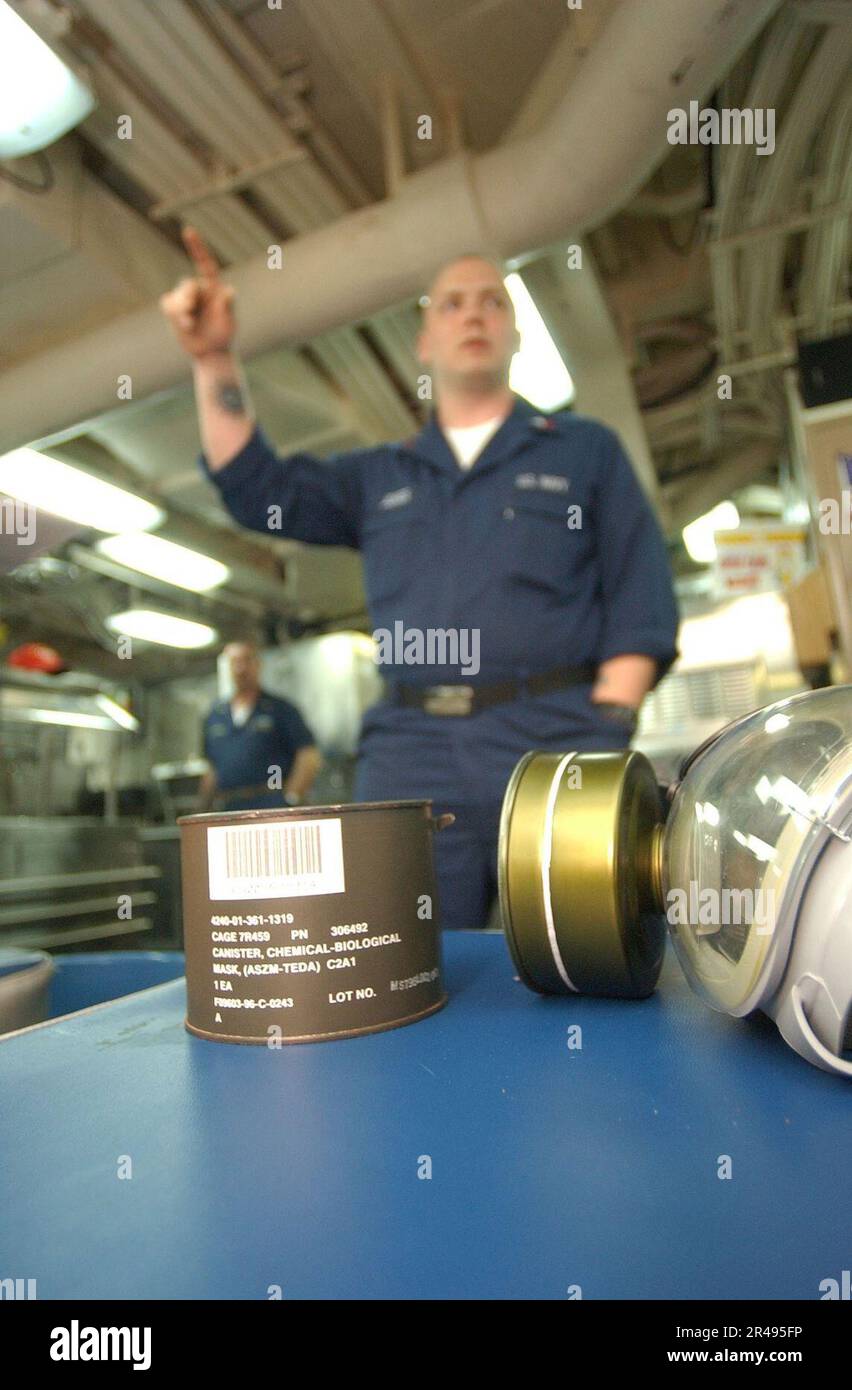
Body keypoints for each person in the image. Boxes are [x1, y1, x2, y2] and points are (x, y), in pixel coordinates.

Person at [162, 228, 679, 926]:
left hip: (559, 737)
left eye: (492, 302)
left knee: (582, 955)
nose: (473, 315)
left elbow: (640, 592)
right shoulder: (380, 475)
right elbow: (254, 488)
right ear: (424, 344)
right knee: (404, 965)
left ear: (516, 334)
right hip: (412, 752)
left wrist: (609, 719)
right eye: (452, 304)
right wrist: (215, 359)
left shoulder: (586, 451)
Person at [199, 640, 321, 812]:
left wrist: (291, 798)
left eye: (246, 660)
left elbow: (308, 756)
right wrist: (203, 809)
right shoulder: (215, 715)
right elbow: (211, 767)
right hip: (228, 808)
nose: (241, 669)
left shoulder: (281, 709)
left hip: (271, 805)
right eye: (234, 662)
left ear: (258, 664)